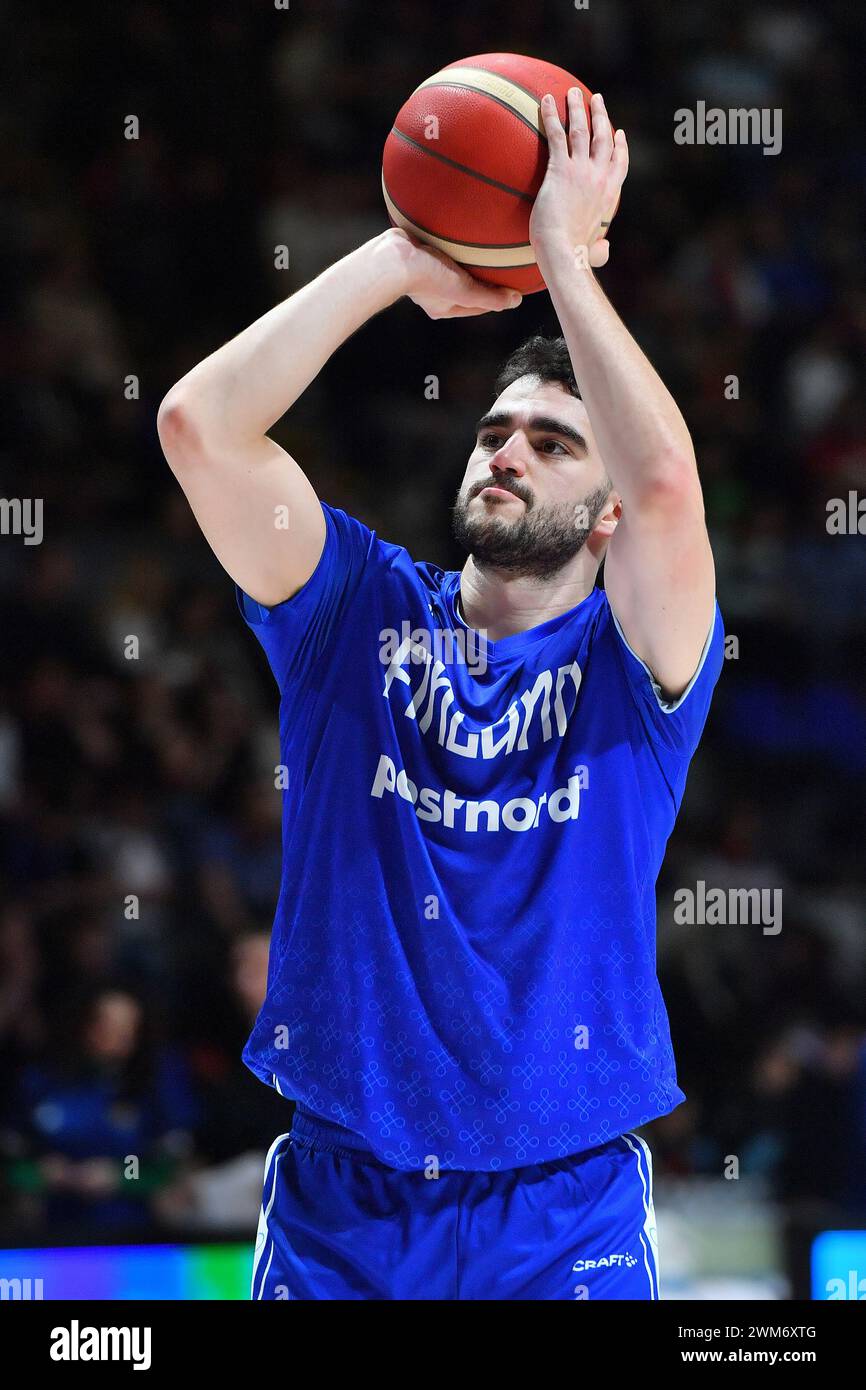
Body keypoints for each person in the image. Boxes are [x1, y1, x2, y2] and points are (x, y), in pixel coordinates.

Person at [158, 90, 724, 1299]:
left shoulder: (634, 664)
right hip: (346, 1199)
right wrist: (398, 261)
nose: (505, 452)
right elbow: (199, 425)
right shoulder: (353, 611)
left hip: (560, 1207)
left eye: (552, 444)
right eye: (492, 431)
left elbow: (667, 484)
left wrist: (558, 255)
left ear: (605, 513)